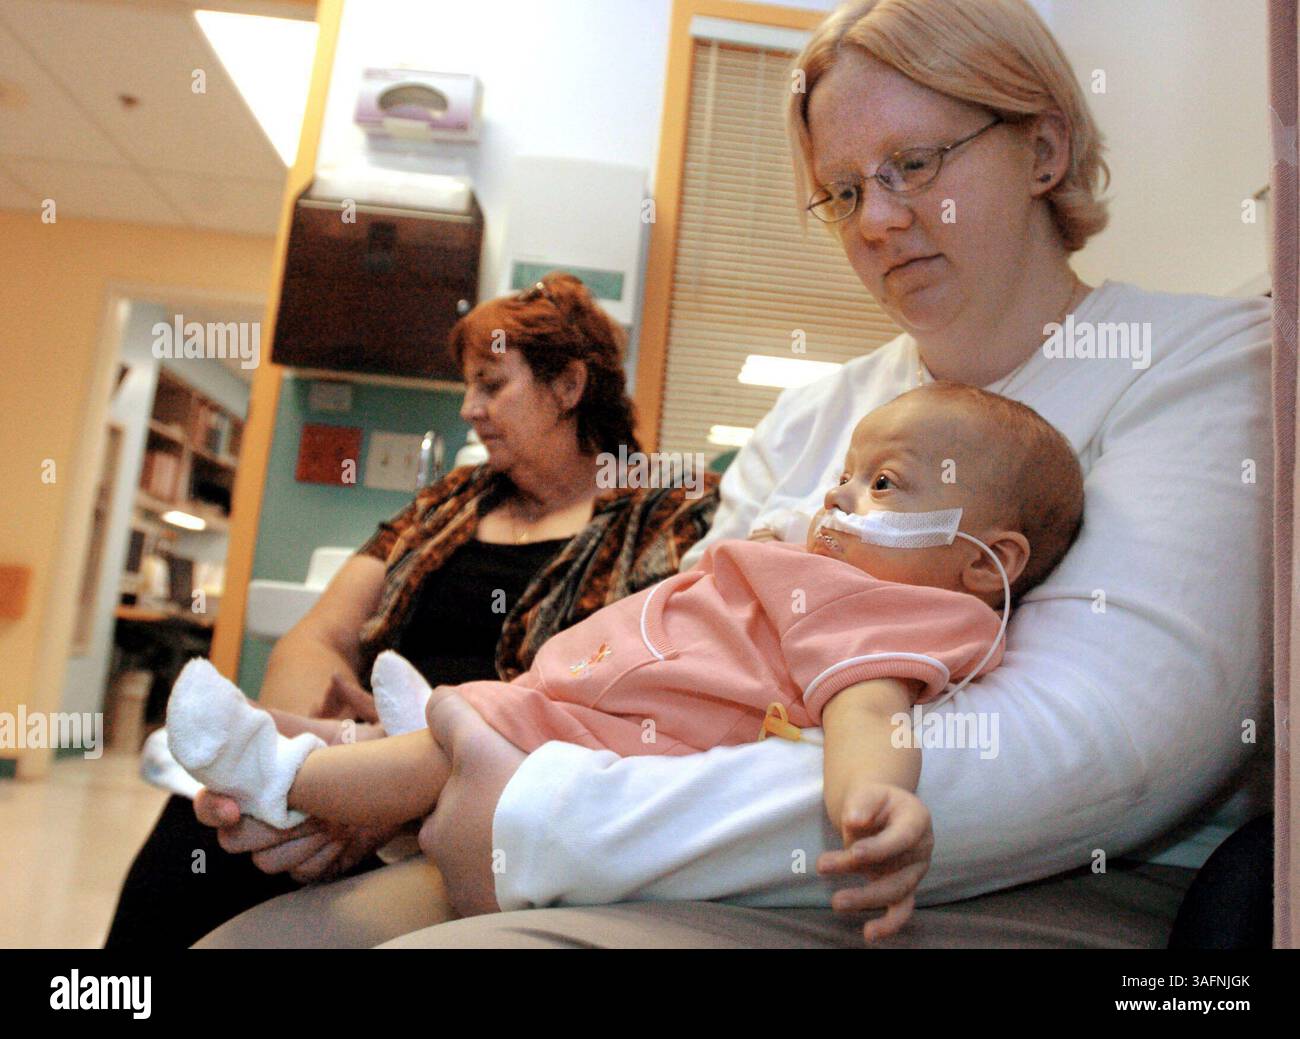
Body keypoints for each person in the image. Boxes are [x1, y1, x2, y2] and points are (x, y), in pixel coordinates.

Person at [195, 0, 1272, 950]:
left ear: (1042, 146)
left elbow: (1106, 753)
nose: (879, 221)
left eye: (917, 164)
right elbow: (673, 676)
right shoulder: (813, 421)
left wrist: (547, 814)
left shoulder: (1207, 365)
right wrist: (388, 775)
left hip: (1031, 876)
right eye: (843, 191)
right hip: (669, 832)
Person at [167, 383, 1084, 942]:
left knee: (466, 741)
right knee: (479, 717)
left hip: (624, 736)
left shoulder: (891, 607)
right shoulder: (835, 564)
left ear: (984, 560)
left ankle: (290, 774)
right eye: (850, 470)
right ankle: (369, 742)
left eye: (884, 483)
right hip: (584, 691)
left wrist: (873, 801)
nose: (842, 493)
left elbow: (867, 707)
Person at [103, 273, 719, 949]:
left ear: (568, 387)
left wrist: (386, 790)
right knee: (193, 834)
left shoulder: (668, 513)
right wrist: (309, 771)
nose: (468, 408)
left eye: (491, 384)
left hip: (491, 790)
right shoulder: (447, 503)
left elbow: (626, 699)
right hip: (357, 761)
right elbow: (319, 634)